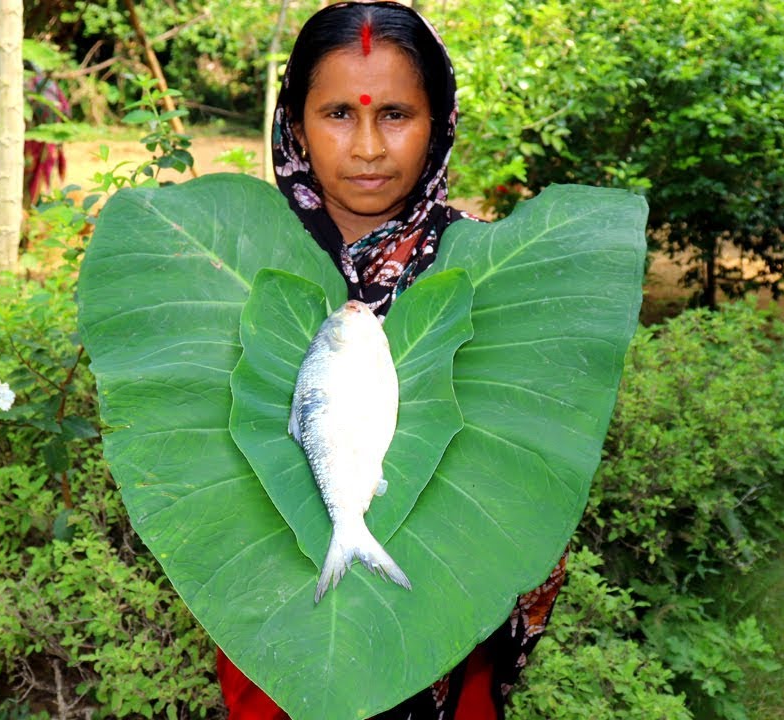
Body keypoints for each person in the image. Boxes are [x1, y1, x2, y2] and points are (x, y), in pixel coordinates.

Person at [215, 3, 567, 718]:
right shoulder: (239, 267)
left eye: (396, 114)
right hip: (282, 626)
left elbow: (528, 466)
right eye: (339, 113)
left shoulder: (485, 272)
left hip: (441, 621)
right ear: (296, 123)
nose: (368, 146)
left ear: (437, 121)